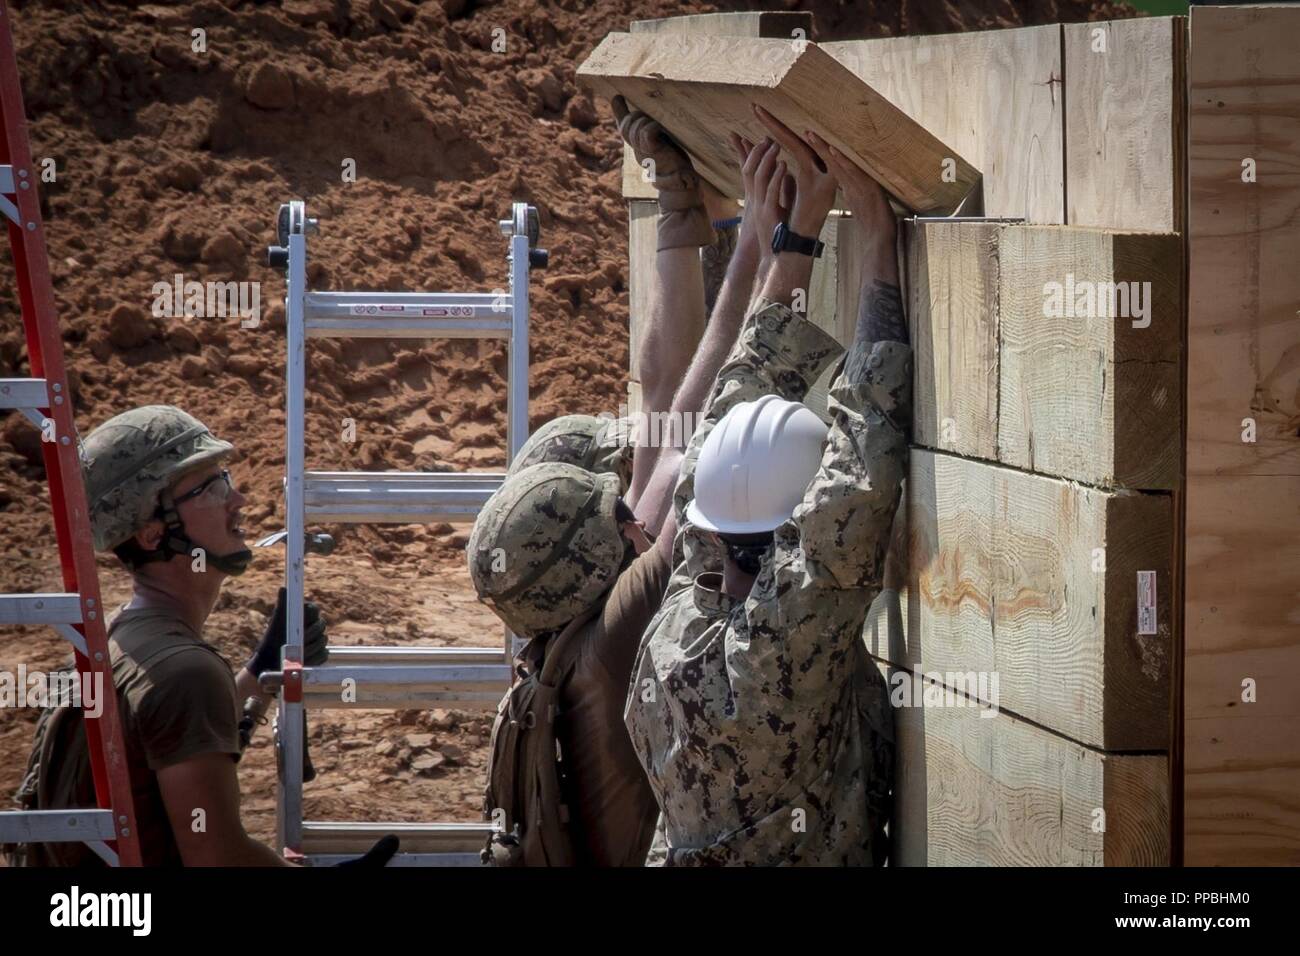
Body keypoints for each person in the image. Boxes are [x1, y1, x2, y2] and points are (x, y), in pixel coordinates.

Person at [469, 98, 785, 865]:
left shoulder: (556, 632)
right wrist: (768, 239)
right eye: (615, 509)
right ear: (596, 547)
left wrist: (688, 216)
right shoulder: (612, 641)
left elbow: (661, 414)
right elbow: (691, 423)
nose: (631, 502)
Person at [624, 107, 912, 866]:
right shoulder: (775, 651)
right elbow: (865, 458)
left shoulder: (681, 626)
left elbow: (731, 418)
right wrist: (880, 239)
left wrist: (796, 235)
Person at [9, 405, 393, 867]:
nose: (238, 501)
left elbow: (167, 732)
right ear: (154, 534)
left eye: (224, 478)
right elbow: (217, 858)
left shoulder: (114, 636)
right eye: (209, 488)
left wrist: (258, 671)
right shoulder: (184, 670)